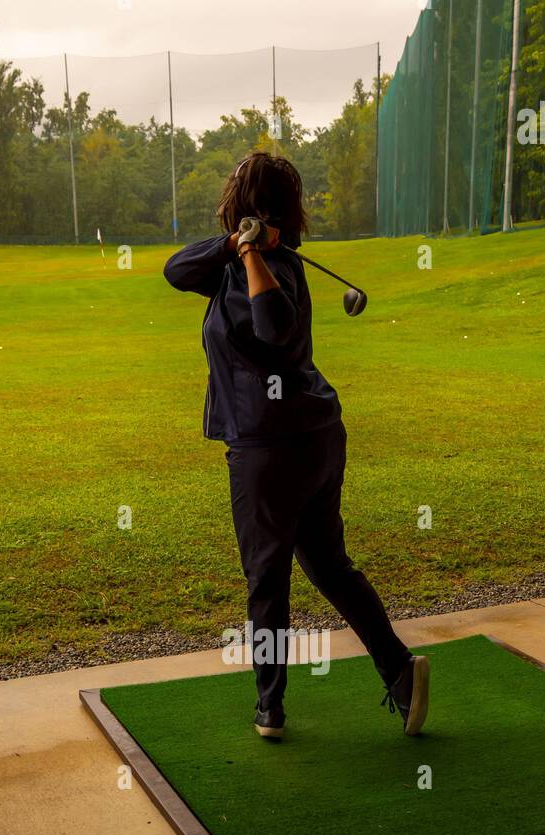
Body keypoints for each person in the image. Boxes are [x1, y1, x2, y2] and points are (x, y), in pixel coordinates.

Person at [163, 151, 429, 741]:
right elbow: (175, 270)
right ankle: (400, 670)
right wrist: (237, 246)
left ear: (250, 203)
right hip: (313, 436)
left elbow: (274, 326)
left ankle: (270, 707)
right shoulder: (234, 261)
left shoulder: (273, 267)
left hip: (270, 447)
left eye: (235, 186)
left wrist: (254, 254)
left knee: (267, 577)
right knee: (328, 565)